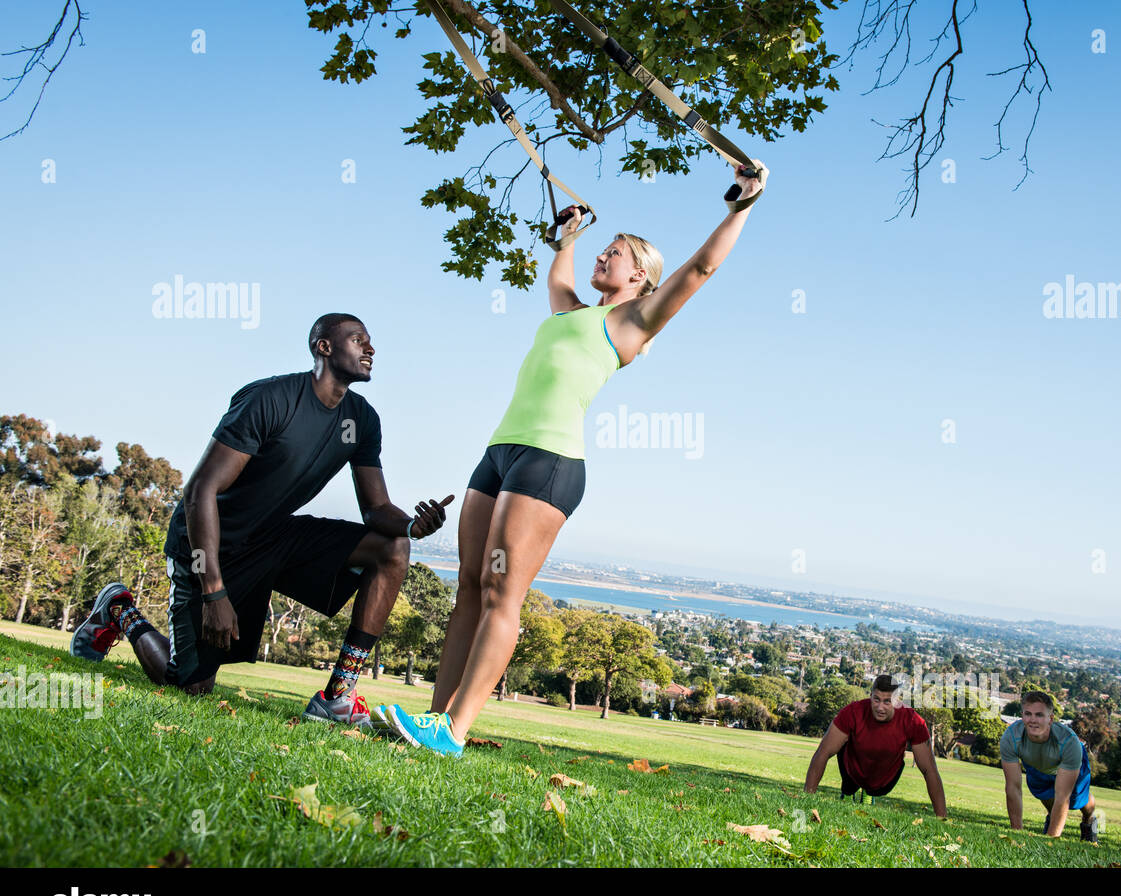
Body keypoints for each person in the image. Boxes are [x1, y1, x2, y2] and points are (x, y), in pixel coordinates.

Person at [378, 162, 769, 755]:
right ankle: (435, 720)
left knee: (499, 592)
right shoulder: (570, 313)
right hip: (499, 453)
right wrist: (572, 235)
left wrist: (741, 205)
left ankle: (456, 730)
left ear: (640, 273)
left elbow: (702, 269)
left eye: (613, 253)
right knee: (467, 587)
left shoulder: (633, 321)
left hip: (549, 462)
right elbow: (559, 270)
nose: (600, 259)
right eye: (601, 251)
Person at [70, 314, 453, 728]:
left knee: (392, 548)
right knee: (189, 684)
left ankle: (338, 696)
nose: (370, 349)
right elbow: (201, 491)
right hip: (207, 547)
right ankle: (120, 608)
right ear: (323, 347)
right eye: (358, 340)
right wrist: (214, 592)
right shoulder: (269, 399)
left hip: (271, 539)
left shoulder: (361, 420)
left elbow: (376, 511)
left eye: (371, 341)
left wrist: (412, 526)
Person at [803, 674, 948, 816]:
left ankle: (868, 793)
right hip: (852, 772)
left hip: (885, 780)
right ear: (870, 695)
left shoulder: (912, 721)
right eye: (876, 699)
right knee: (839, 748)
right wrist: (807, 798)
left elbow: (929, 770)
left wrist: (941, 817)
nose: (880, 707)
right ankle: (848, 792)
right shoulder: (853, 712)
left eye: (887, 701)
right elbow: (823, 752)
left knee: (874, 789)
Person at [1000, 690, 1102, 841]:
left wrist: (1050, 841)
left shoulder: (1068, 742)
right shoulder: (1011, 737)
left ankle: (1089, 820)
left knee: (1077, 800)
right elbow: (1013, 787)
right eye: (1028, 714)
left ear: (1050, 718)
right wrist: (1017, 833)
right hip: (1038, 765)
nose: (1032, 720)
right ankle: (1052, 817)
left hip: (1070, 763)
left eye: (1039, 715)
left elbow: (1063, 797)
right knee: (1045, 793)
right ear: (1022, 715)